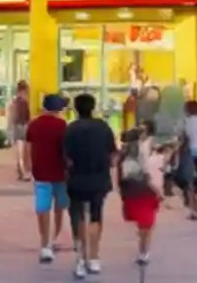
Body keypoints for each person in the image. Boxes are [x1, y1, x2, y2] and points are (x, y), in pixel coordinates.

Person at [64, 93, 116, 279]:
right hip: (98, 179)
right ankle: (94, 258)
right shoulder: (103, 127)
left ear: (75, 108)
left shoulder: (70, 129)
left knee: (77, 218)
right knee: (96, 216)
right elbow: (112, 156)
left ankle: (80, 258)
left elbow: (66, 158)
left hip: (76, 179)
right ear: (93, 107)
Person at [26, 93, 73, 263]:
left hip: (40, 172)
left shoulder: (34, 124)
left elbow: (28, 146)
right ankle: (55, 237)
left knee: (43, 209)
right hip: (60, 173)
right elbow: (67, 150)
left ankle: (45, 244)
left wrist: (27, 166)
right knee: (60, 206)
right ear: (59, 108)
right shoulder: (62, 125)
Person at [118, 125, 163, 267]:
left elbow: (120, 180)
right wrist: (158, 192)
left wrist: (123, 194)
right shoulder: (144, 156)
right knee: (146, 226)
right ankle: (144, 251)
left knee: (142, 226)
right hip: (146, 193)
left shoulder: (123, 158)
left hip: (132, 195)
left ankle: (143, 251)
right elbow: (147, 177)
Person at [10, 80, 32, 181]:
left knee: (20, 150)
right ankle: (22, 171)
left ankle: (20, 170)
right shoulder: (23, 101)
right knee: (22, 150)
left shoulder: (15, 101)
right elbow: (27, 116)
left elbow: (13, 116)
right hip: (22, 126)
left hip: (17, 126)